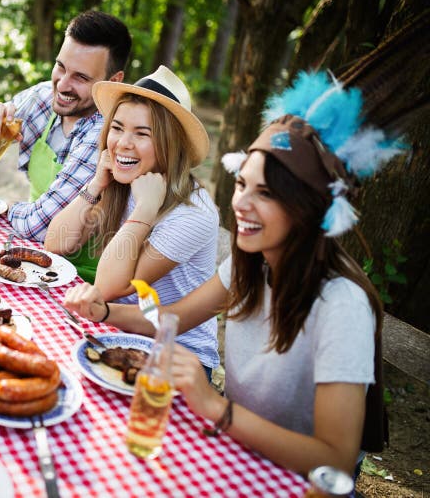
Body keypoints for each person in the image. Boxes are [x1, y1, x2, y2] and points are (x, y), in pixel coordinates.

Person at [64, 71, 400, 475]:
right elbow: (172, 318)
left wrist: (215, 406)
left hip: (293, 478)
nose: (242, 204)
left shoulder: (342, 304)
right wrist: (105, 314)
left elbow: (336, 458)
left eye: (267, 194)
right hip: (239, 445)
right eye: (242, 185)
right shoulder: (250, 262)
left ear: (309, 208)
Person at [46, 66, 220, 375]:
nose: (123, 143)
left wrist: (145, 209)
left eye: (142, 133)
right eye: (117, 128)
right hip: (121, 332)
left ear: (170, 145)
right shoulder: (124, 178)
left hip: (178, 354)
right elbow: (55, 244)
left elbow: (109, 286)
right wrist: (96, 184)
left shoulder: (193, 214)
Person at [0, 10, 132, 244]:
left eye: (81, 77)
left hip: (85, 264)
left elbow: (39, 226)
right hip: (32, 244)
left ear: (114, 81)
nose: (63, 84)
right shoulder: (42, 96)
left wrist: (1, 207)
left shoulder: (107, 132)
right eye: (61, 67)